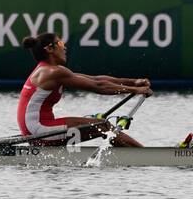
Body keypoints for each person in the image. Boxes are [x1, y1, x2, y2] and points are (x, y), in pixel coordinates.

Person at [17, 32, 151, 147]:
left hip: (35, 129)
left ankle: (133, 154)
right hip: (39, 130)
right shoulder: (51, 72)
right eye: (61, 44)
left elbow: (96, 80)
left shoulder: (51, 70)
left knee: (100, 126)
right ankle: (147, 156)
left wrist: (134, 82)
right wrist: (136, 90)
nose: (65, 48)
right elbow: (99, 87)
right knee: (102, 126)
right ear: (50, 49)